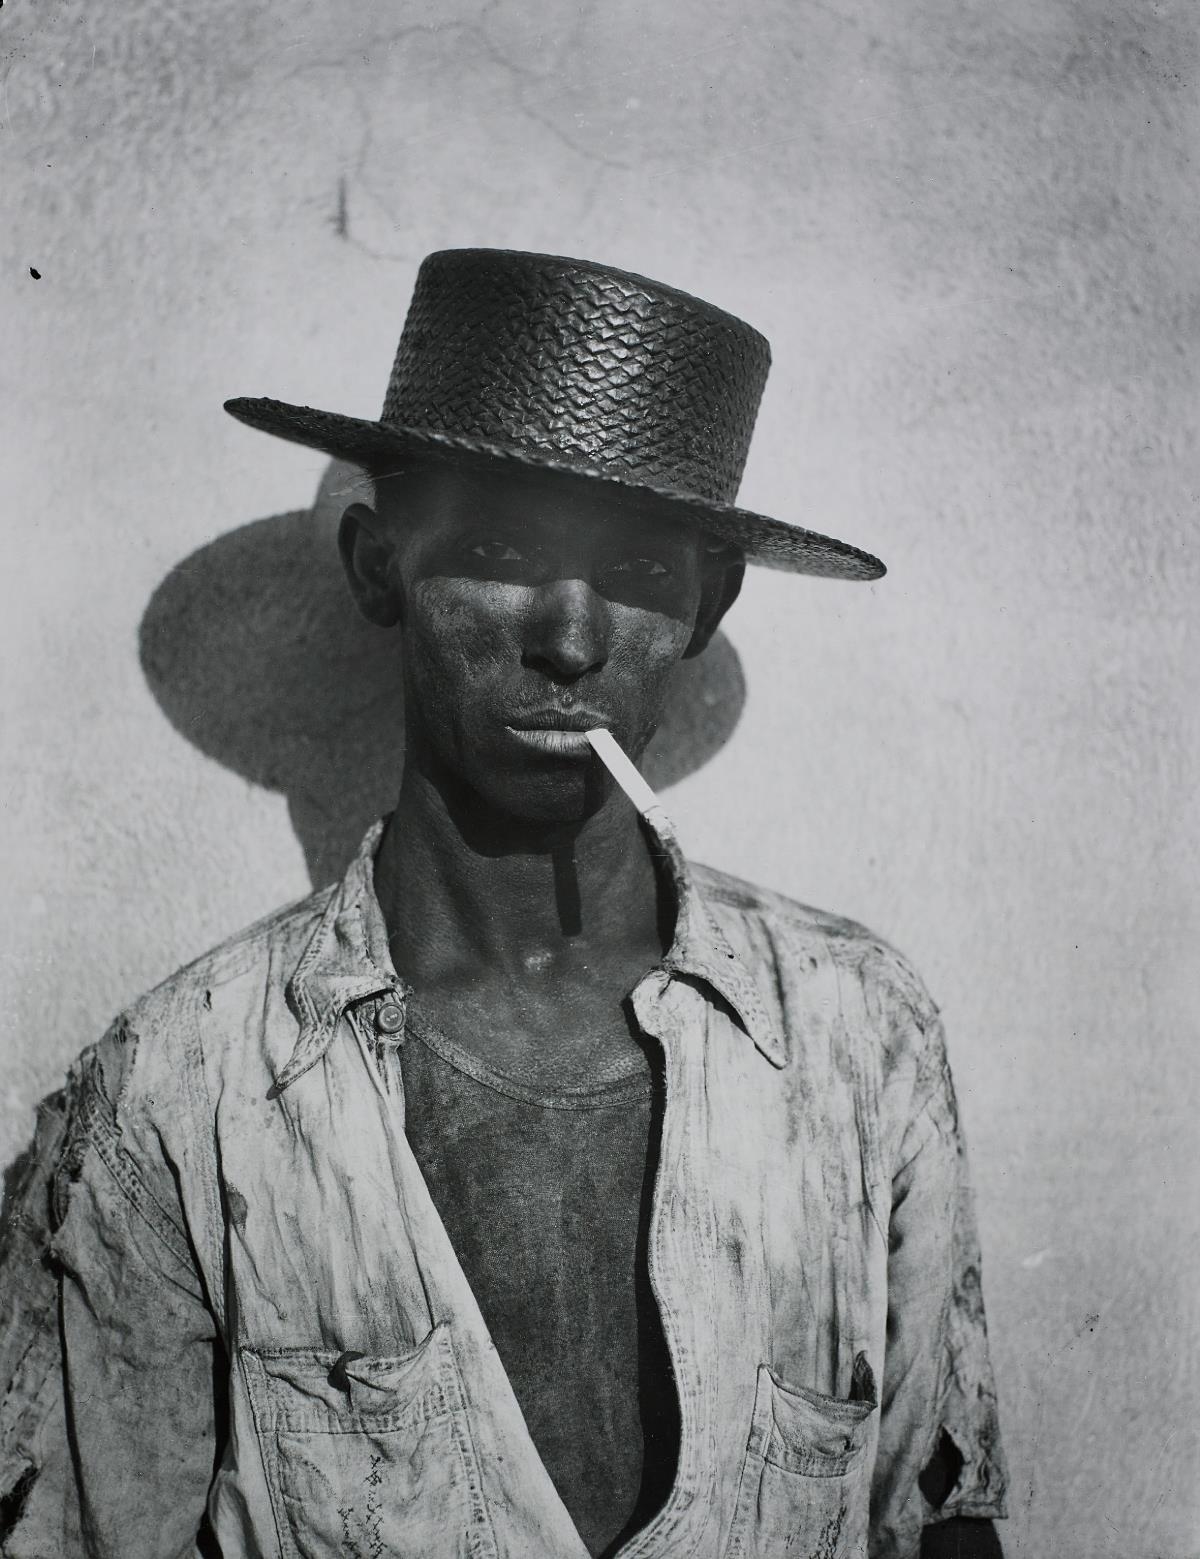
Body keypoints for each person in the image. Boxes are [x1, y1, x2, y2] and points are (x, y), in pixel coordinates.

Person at [0, 249, 1008, 1558]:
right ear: (378, 565)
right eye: (500, 548)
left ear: (709, 603)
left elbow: (941, 1518)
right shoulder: (181, 1083)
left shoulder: (857, 1029)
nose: (572, 638)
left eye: (640, 569)